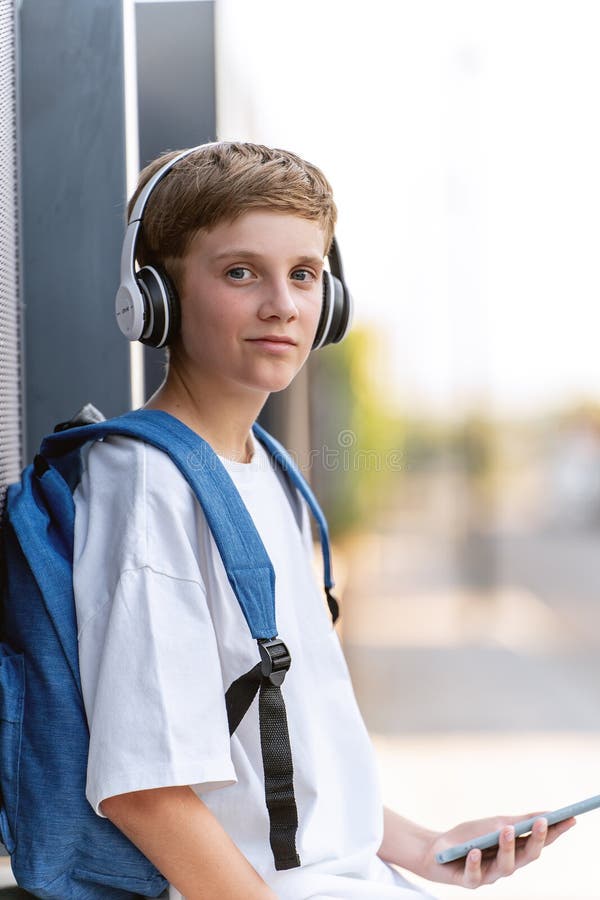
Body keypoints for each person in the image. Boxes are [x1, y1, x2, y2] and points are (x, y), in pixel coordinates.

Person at [72, 142, 574, 900]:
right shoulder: (150, 486)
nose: (283, 304)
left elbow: (290, 757)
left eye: (304, 274)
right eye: (241, 272)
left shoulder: (266, 469)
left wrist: (426, 845)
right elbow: (145, 790)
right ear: (154, 297)